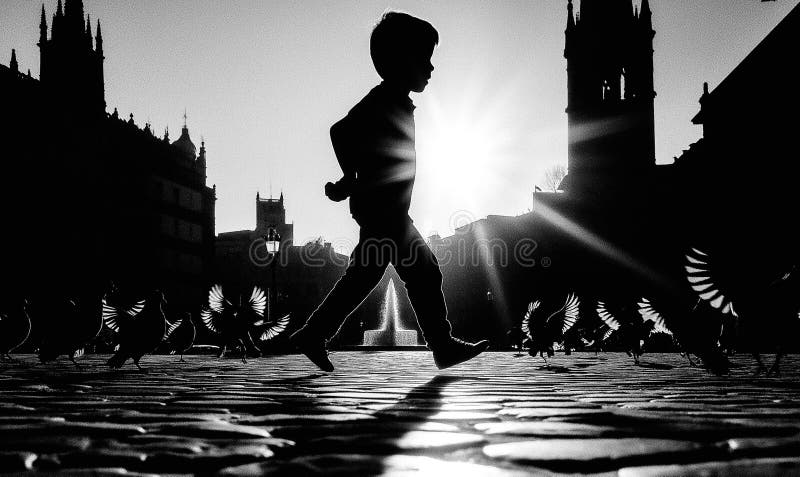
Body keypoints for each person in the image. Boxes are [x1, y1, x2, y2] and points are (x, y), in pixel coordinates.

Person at [290, 11, 489, 372]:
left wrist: (351, 178)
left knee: (366, 275)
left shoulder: (394, 101)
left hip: (385, 208)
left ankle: (314, 333)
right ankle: (442, 345)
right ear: (401, 60)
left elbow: (346, 135)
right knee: (422, 271)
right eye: (424, 58)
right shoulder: (382, 100)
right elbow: (339, 131)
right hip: (384, 210)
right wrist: (349, 176)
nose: (431, 67)